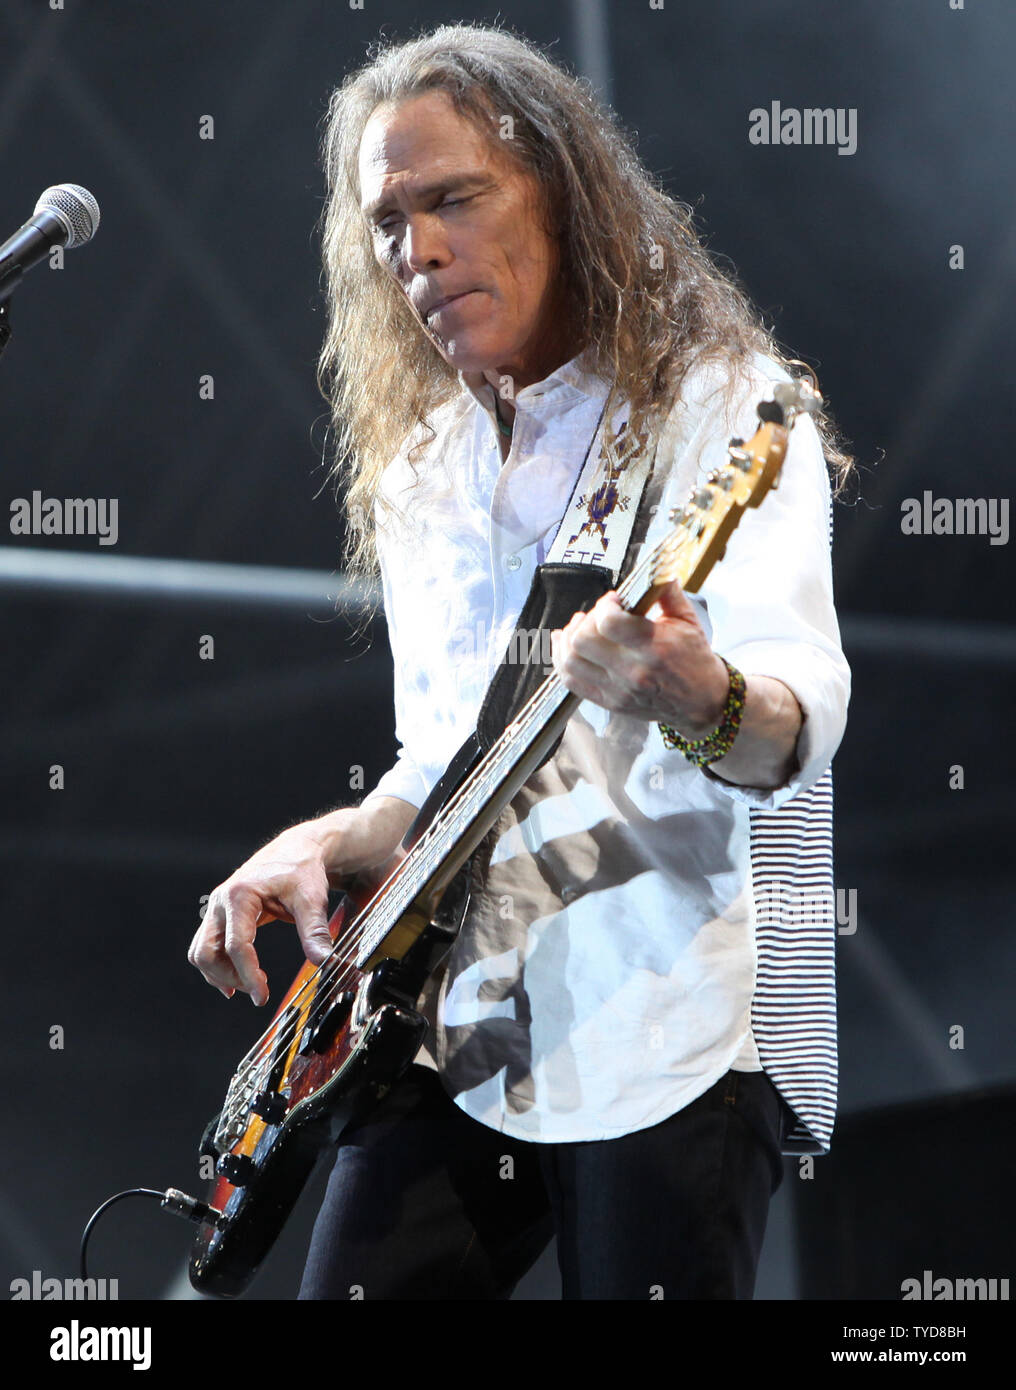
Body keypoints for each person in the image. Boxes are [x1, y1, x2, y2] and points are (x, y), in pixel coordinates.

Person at [188, 24, 851, 1300]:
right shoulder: (423, 467)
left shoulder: (710, 405)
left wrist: (690, 691)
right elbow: (440, 764)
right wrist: (323, 842)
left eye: (453, 200)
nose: (417, 251)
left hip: (672, 1019)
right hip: (459, 1023)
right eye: (388, 221)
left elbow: (795, 726)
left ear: (558, 187)